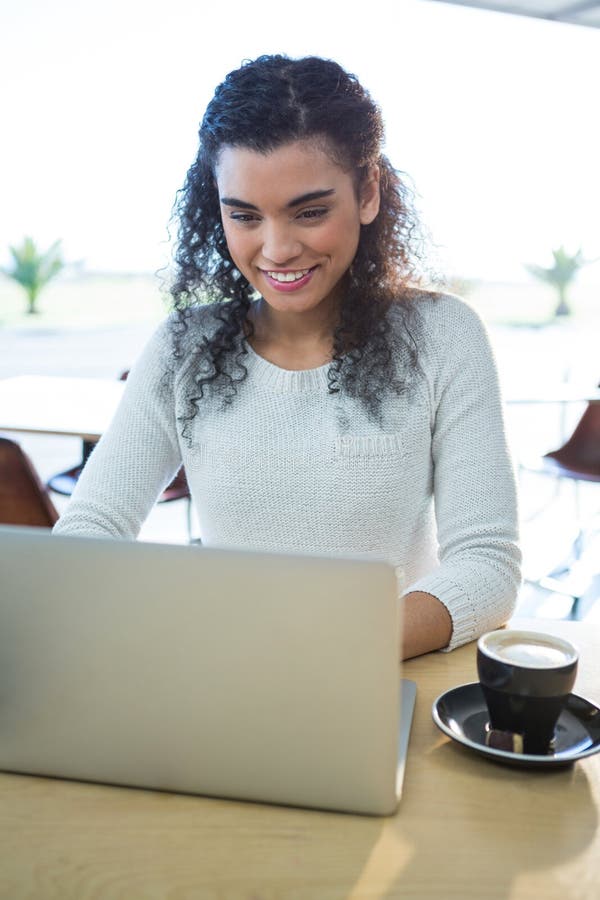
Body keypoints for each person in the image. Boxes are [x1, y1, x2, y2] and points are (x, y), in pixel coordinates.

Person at [53, 54, 521, 659]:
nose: (275, 249)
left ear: (369, 193)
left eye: (310, 211)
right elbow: (91, 528)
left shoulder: (443, 335)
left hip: (380, 671)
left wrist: (328, 646)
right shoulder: (182, 347)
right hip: (228, 670)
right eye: (244, 215)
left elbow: (487, 565)